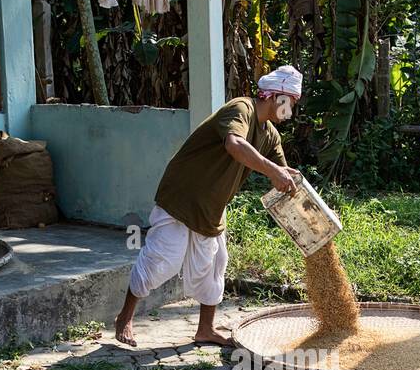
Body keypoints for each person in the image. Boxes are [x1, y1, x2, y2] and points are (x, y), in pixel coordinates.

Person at [114, 66, 303, 347]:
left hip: (212, 205)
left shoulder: (270, 135)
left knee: (214, 264)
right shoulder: (241, 108)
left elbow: (284, 174)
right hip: (183, 196)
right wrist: (273, 171)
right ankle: (124, 317)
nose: (292, 110)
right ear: (276, 96)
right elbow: (234, 144)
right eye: (291, 102)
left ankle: (205, 330)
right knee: (162, 261)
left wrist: (307, 199)